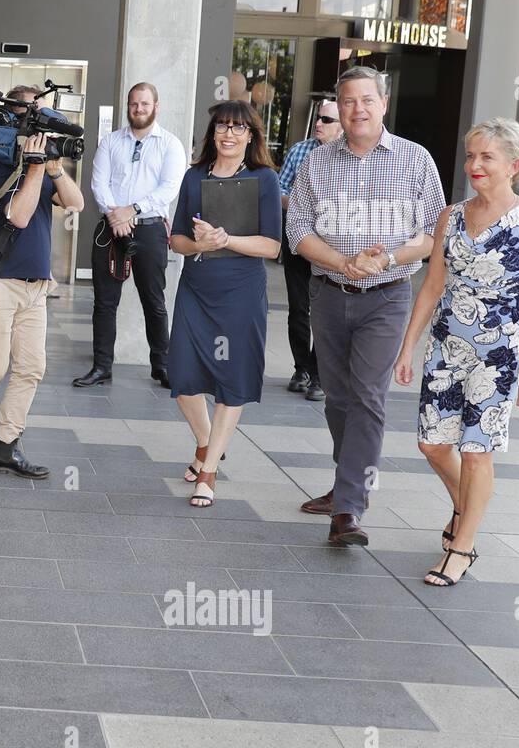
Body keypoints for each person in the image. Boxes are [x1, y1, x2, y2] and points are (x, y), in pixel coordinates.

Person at [394, 119, 519, 585]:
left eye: (486, 157)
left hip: (500, 355)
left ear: (515, 164)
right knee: (432, 444)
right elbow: (431, 286)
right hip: (446, 346)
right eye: (471, 156)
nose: (475, 165)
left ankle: (462, 547)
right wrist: (408, 346)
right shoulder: (450, 216)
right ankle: (467, 505)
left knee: (475, 451)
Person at [287, 66, 447, 545]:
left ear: (383, 102)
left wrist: (386, 260)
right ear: (339, 106)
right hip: (330, 295)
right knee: (338, 399)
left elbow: (432, 234)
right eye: (349, 101)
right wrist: (343, 262)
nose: (358, 109)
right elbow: (298, 231)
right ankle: (348, 481)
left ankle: (349, 507)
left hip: (388, 297)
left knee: (369, 398)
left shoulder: (415, 161)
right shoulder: (317, 161)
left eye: (367, 100)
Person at [0, 87, 85, 478]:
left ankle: (5, 445)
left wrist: (53, 168)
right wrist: (33, 167)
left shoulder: (44, 165)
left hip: (36, 286)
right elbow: (18, 215)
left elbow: (76, 203)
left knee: (31, 368)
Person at [168, 101, 282, 508]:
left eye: (238, 128)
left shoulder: (264, 179)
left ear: (251, 135)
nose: (229, 134)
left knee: (231, 379)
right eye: (222, 127)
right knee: (181, 376)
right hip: (197, 288)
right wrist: (200, 243)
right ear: (212, 133)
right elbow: (176, 239)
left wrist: (226, 240)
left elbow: (271, 246)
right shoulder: (194, 176)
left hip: (240, 292)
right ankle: (206, 444)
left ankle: (210, 470)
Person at [75, 82, 186, 389]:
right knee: (104, 302)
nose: (138, 109)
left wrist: (132, 210)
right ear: (128, 105)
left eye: (145, 104)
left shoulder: (171, 145)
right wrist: (115, 215)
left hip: (149, 230)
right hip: (110, 229)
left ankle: (161, 367)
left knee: (154, 300)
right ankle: (101, 367)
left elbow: (169, 188)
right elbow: (99, 183)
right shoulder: (111, 141)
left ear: (156, 106)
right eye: (134, 104)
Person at [278, 99, 342, 400]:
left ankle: (318, 375)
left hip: (331, 245)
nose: (319, 123)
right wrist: (300, 208)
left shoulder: (347, 157)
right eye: (319, 118)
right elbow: (280, 189)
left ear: (342, 125)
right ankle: (301, 367)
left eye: (327, 120)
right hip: (298, 239)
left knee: (325, 311)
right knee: (297, 308)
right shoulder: (300, 151)